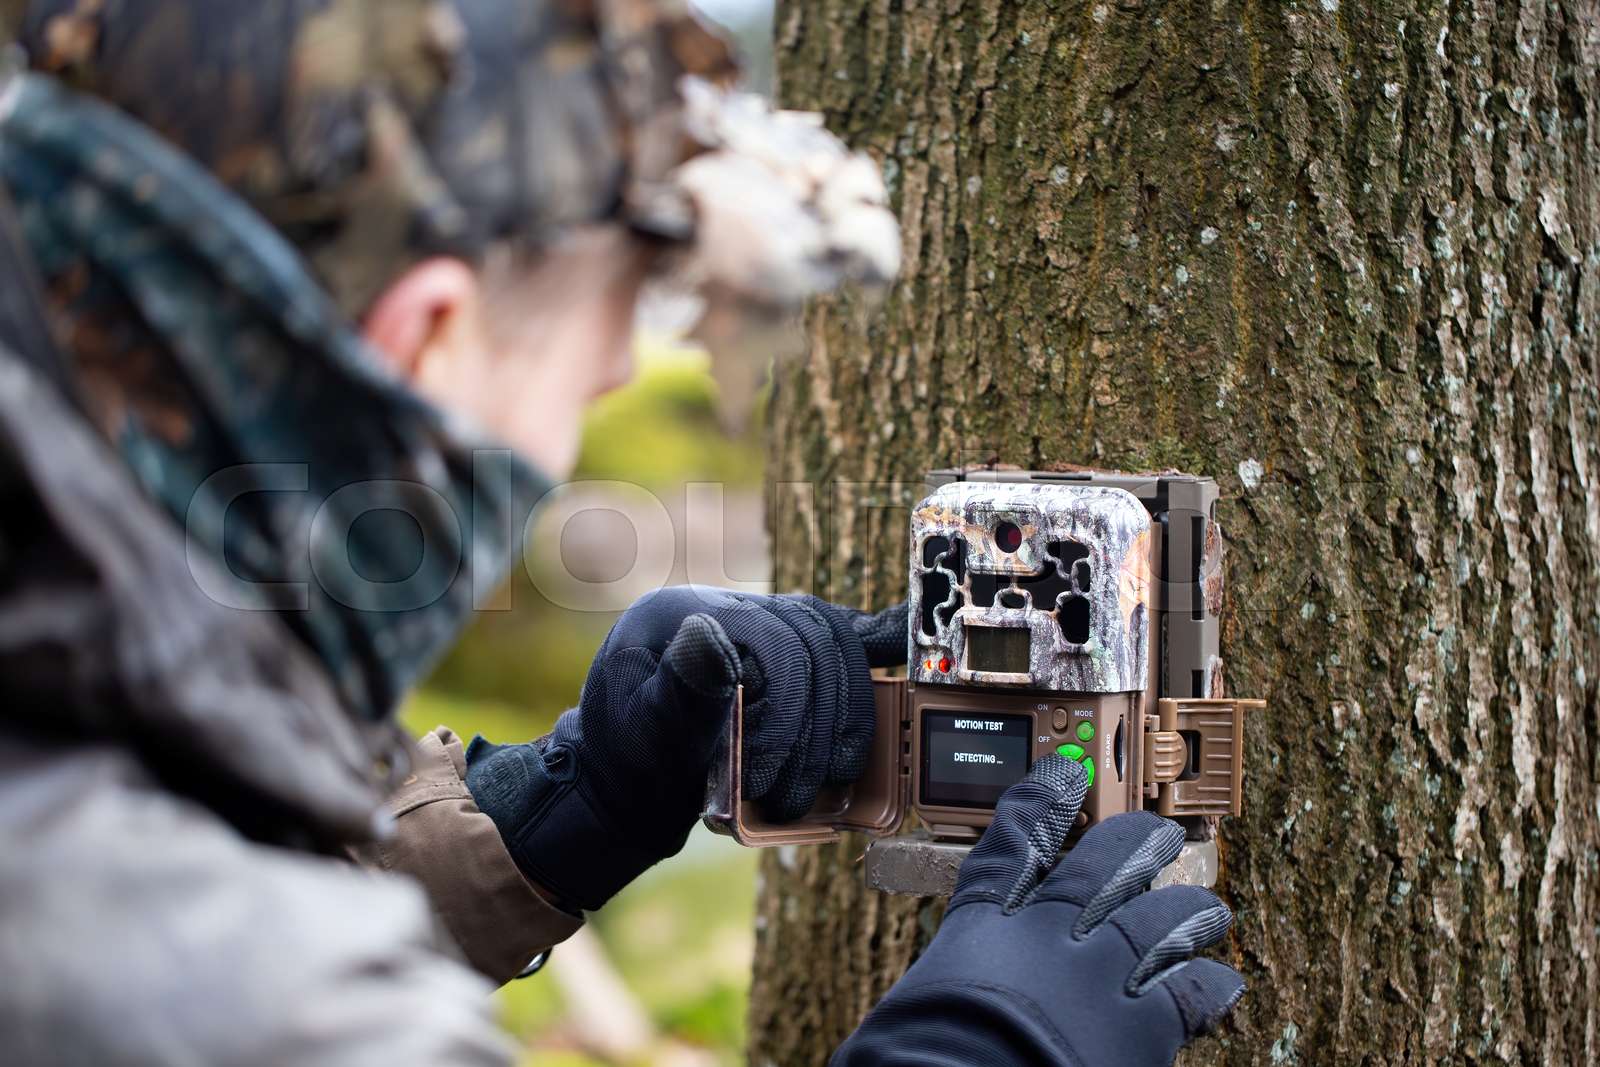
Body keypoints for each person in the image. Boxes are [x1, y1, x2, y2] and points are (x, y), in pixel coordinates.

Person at [0, 1, 1244, 1064]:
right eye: (585, 375)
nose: (565, 441)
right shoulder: (213, 992)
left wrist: (552, 807)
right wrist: (982, 1045)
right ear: (422, 344)